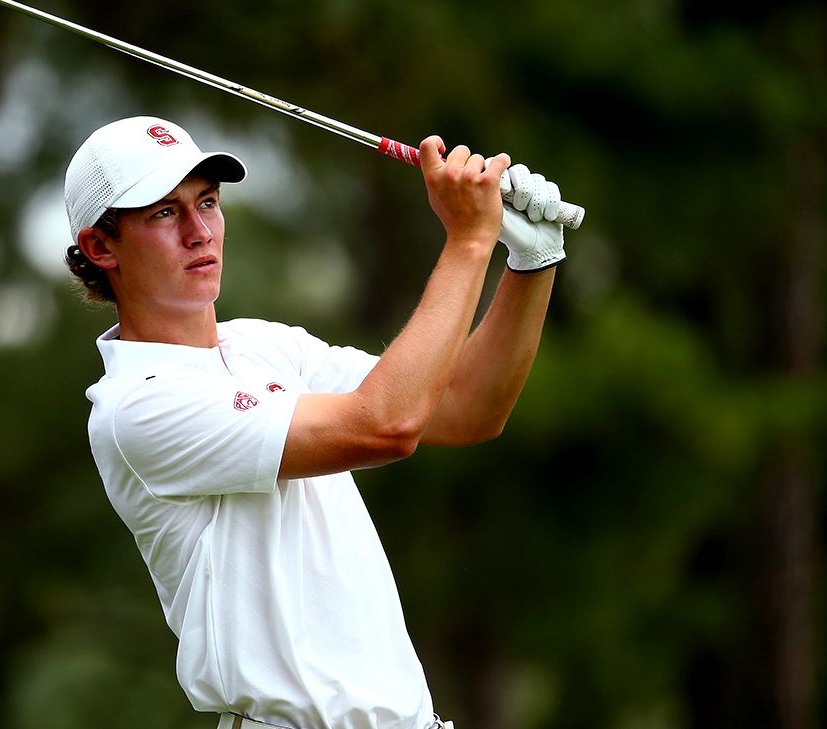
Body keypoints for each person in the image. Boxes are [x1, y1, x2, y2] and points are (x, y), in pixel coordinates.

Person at [64, 115, 565, 729]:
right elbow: (387, 425)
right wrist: (467, 244)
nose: (200, 233)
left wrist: (531, 263)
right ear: (100, 247)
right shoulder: (134, 406)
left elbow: (467, 408)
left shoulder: (266, 346)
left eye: (208, 203)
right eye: (164, 214)